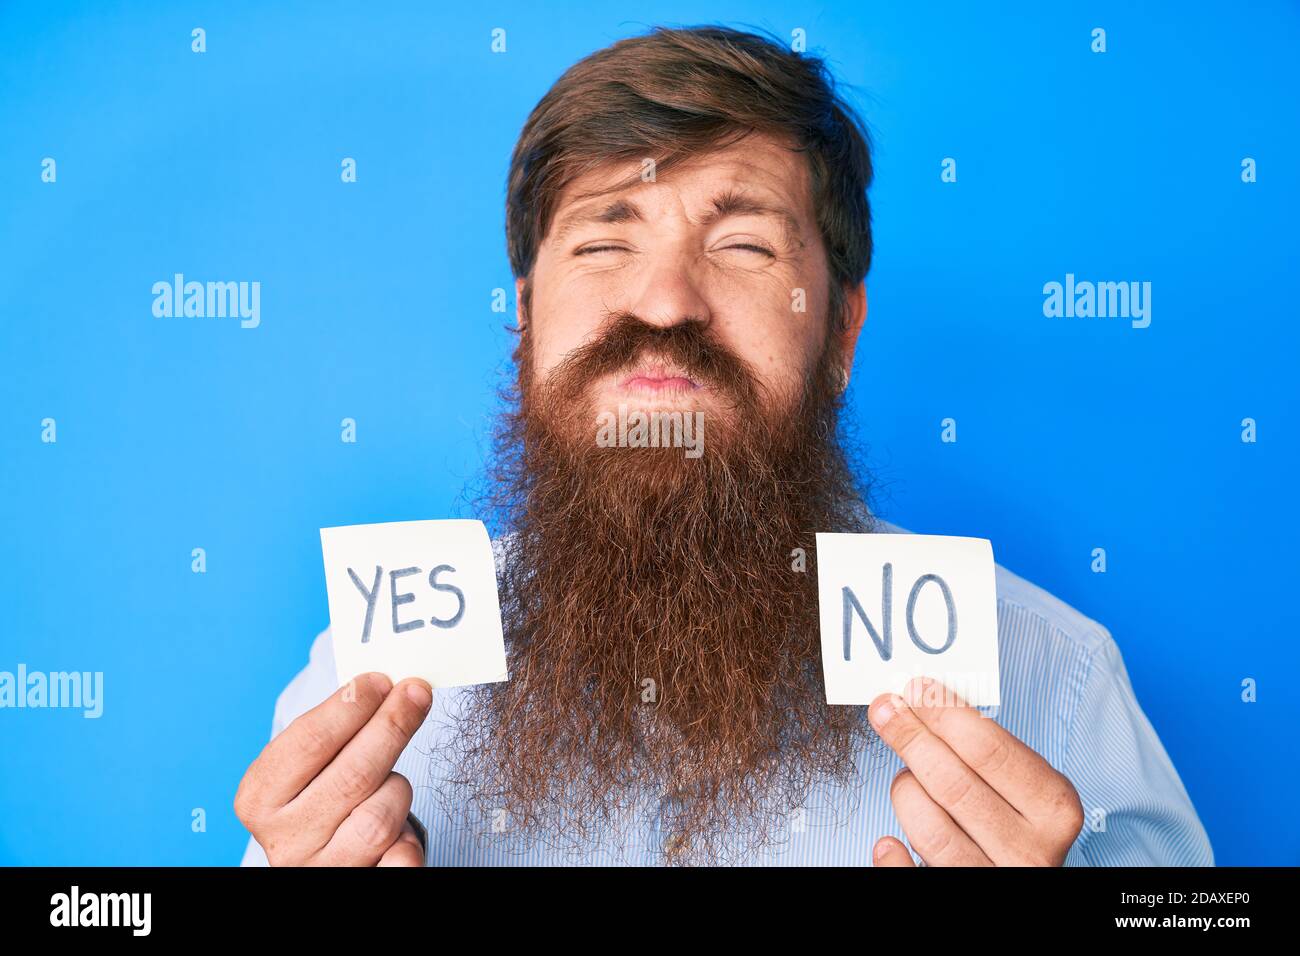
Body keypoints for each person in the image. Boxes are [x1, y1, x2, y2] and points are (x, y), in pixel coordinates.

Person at [235, 25, 1212, 867]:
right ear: (526, 325)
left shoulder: (1055, 675)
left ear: (840, 334)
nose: (663, 302)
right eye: (603, 243)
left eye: (743, 245)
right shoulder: (362, 689)